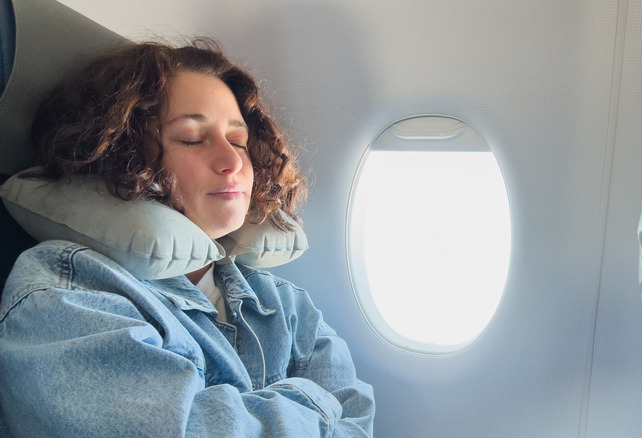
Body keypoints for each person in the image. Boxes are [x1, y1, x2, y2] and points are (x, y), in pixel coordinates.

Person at [0, 39, 375, 437]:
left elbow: (359, 421)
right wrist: (314, 402)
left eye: (239, 141)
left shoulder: (285, 306)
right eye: (192, 139)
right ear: (120, 154)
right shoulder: (65, 294)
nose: (231, 162)